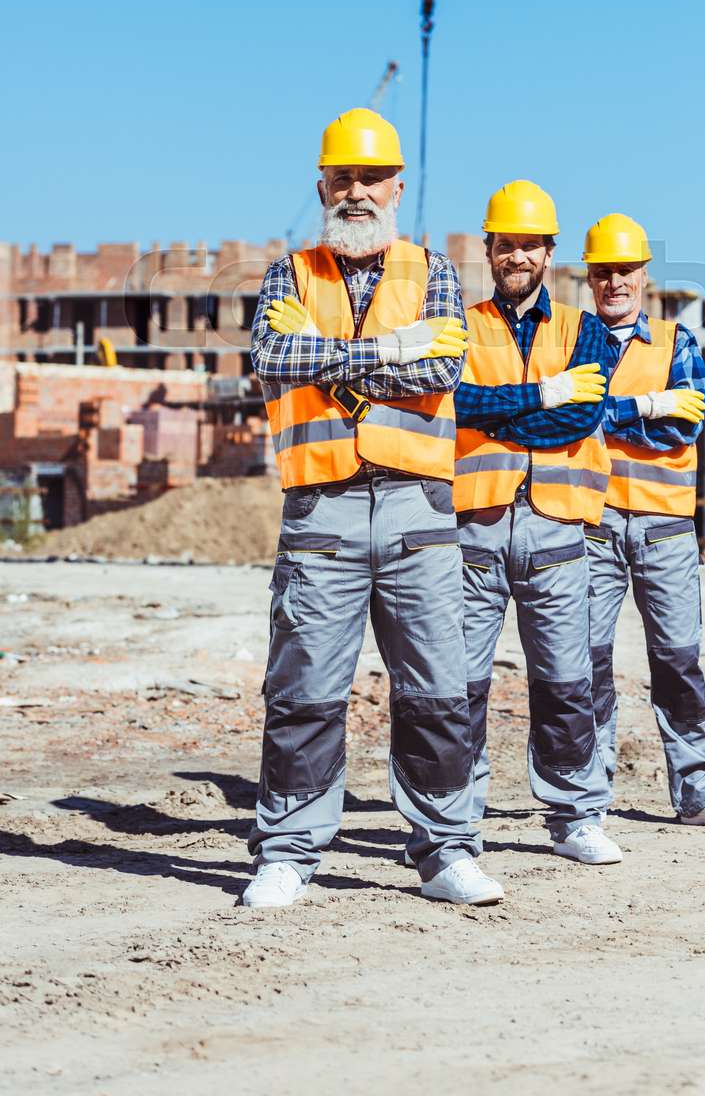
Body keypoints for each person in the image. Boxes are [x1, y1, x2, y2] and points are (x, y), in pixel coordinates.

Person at [241, 107, 503, 909]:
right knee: (304, 690)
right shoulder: (289, 274)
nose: (357, 191)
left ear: (397, 187)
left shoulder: (436, 272)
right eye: (343, 178)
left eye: (371, 178)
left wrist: (332, 359)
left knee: (438, 689)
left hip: (417, 509)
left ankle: (446, 851)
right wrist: (390, 348)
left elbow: (439, 370)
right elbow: (272, 356)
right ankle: (288, 852)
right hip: (320, 509)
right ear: (323, 186)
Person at [452, 181, 624, 865]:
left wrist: (501, 414)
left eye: (530, 245)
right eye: (506, 244)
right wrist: (537, 396)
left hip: (556, 527)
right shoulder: (460, 324)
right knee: (458, 684)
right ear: (489, 249)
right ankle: (453, 822)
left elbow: (579, 417)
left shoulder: (584, 329)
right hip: (475, 524)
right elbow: (453, 404)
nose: (517, 256)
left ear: (550, 253)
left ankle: (576, 816)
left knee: (564, 682)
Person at [583, 213, 705, 829]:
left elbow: (684, 425)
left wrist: (609, 415)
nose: (615, 282)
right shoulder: (572, 341)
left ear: (643, 276)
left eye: (625, 270)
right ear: (590, 278)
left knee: (679, 660)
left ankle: (700, 790)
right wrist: (647, 405)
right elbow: (571, 418)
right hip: (593, 524)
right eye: (603, 272)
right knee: (586, 663)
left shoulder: (675, 340)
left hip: (665, 526)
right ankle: (587, 798)